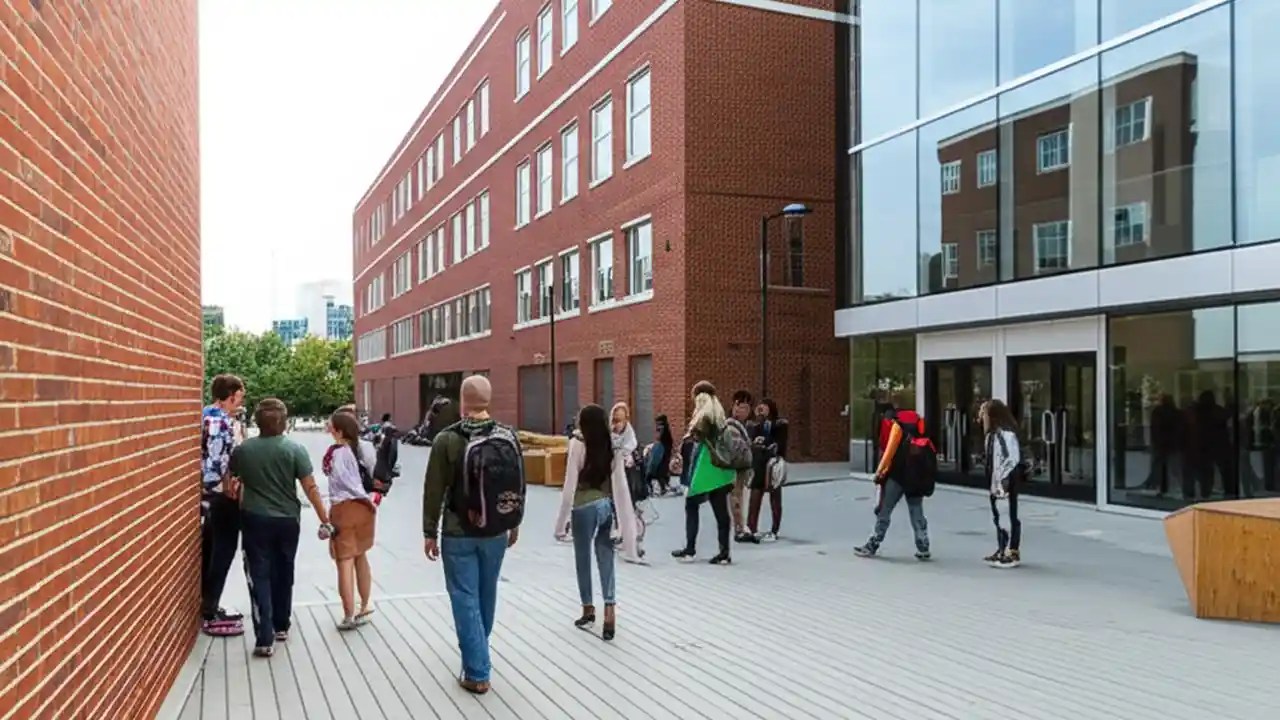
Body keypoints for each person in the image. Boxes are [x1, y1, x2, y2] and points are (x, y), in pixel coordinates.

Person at [423, 375, 525, 695]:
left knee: (464, 596)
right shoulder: (508, 435)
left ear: (463, 402)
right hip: (496, 529)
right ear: (489, 400)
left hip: (457, 531)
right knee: (486, 591)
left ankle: (478, 671)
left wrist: (429, 531)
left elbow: (434, 490)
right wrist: (514, 522)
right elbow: (516, 485)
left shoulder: (447, 440)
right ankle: (478, 647)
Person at [231, 398, 333, 657]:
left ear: (257, 422)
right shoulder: (295, 449)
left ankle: (264, 638)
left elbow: (230, 486)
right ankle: (281, 624)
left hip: (254, 519)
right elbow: (311, 487)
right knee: (284, 571)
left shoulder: (244, 450)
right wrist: (325, 518)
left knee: (259, 575)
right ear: (284, 422)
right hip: (288, 521)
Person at [554, 404, 636, 641]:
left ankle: (588, 608)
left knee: (583, 558)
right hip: (606, 506)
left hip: (583, 506)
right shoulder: (612, 444)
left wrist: (560, 524)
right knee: (605, 556)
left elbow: (570, 485)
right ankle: (610, 608)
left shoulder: (578, 443)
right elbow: (617, 480)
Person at [854, 408, 932, 561]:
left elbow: (889, 452)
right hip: (915, 477)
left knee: (885, 510)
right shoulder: (920, 426)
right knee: (916, 511)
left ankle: (874, 543)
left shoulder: (897, 426)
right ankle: (923, 546)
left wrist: (879, 472)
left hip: (896, 476)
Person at [671, 382, 737, 565]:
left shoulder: (704, 418)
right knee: (721, 513)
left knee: (691, 505)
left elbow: (693, 443)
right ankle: (724, 553)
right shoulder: (720, 418)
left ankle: (689, 550)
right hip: (722, 472)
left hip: (705, 471)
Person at [201, 374, 246, 637]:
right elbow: (217, 461)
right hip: (222, 496)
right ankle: (211, 608)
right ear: (230, 395)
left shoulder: (208, 415)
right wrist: (227, 486)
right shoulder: (220, 422)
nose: (240, 401)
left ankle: (210, 602)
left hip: (214, 496)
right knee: (222, 551)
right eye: (239, 396)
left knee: (213, 548)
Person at [325, 412, 379, 626]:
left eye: (331, 426)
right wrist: (368, 500)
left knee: (344, 561)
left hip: (343, 509)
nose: (328, 428)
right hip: (364, 509)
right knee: (361, 555)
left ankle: (348, 614)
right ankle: (365, 605)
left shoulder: (337, 453)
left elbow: (343, 481)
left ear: (339, 431)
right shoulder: (362, 448)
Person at [982, 399, 1024, 568]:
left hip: (1005, 479)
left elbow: (1012, 458)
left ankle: (1011, 551)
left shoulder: (1005, 435)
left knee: (1008, 514)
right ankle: (1002, 548)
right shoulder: (990, 436)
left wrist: (1002, 479)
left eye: (983, 413)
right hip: (996, 480)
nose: (980, 416)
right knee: (998, 514)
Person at [745, 398, 788, 543]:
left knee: (775, 497)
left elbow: (780, 444)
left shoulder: (780, 424)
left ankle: (774, 529)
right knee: (755, 496)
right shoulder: (755, 424)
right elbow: (750, 438)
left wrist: (765, 444)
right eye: (759, 408)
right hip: (758, 464)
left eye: (764, 408)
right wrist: (759, 421)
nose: (761, 410)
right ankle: (751, 528)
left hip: (772, 464)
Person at [728, 390, 755, 542]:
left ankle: (741, 526)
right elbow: (736, 449)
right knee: (736, 497)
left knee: (740, 497)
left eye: (745, 407)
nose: (740, 410)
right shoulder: (732, 426)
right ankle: (739, 528)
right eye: (738, 406)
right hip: (736, 468)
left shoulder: (744, 426)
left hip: (741, 468)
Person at [646, 415, 675, 496]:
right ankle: (664, 487)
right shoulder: (664, 429)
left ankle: (663, 488)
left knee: (659, 472)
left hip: (663, 452)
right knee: (661, 472)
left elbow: (659, 438)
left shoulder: (663, 429)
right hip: (664, 452)